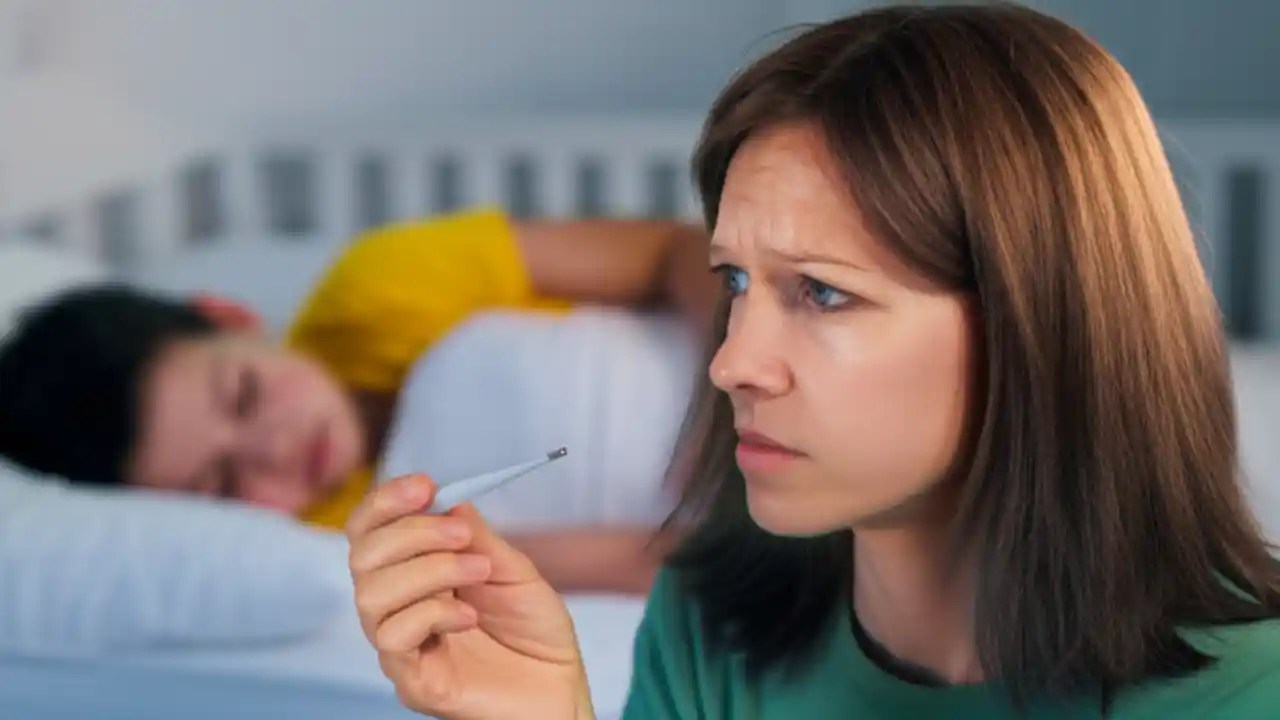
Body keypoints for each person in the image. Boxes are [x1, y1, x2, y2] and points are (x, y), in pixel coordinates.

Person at [343, 4, 1280, 719]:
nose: (731, 365)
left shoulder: (1250, 690)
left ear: (1040, 319)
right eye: (735, 283)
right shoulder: (707, 630)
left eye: (822, 293)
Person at [0, 207, 717, 594]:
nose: (273, 451)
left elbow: (678, 250)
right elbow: (641, 562)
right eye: (220, 482)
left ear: (231, 318)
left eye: (246, 395)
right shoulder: (328, 548)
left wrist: (727, 388)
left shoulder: (377, 286)